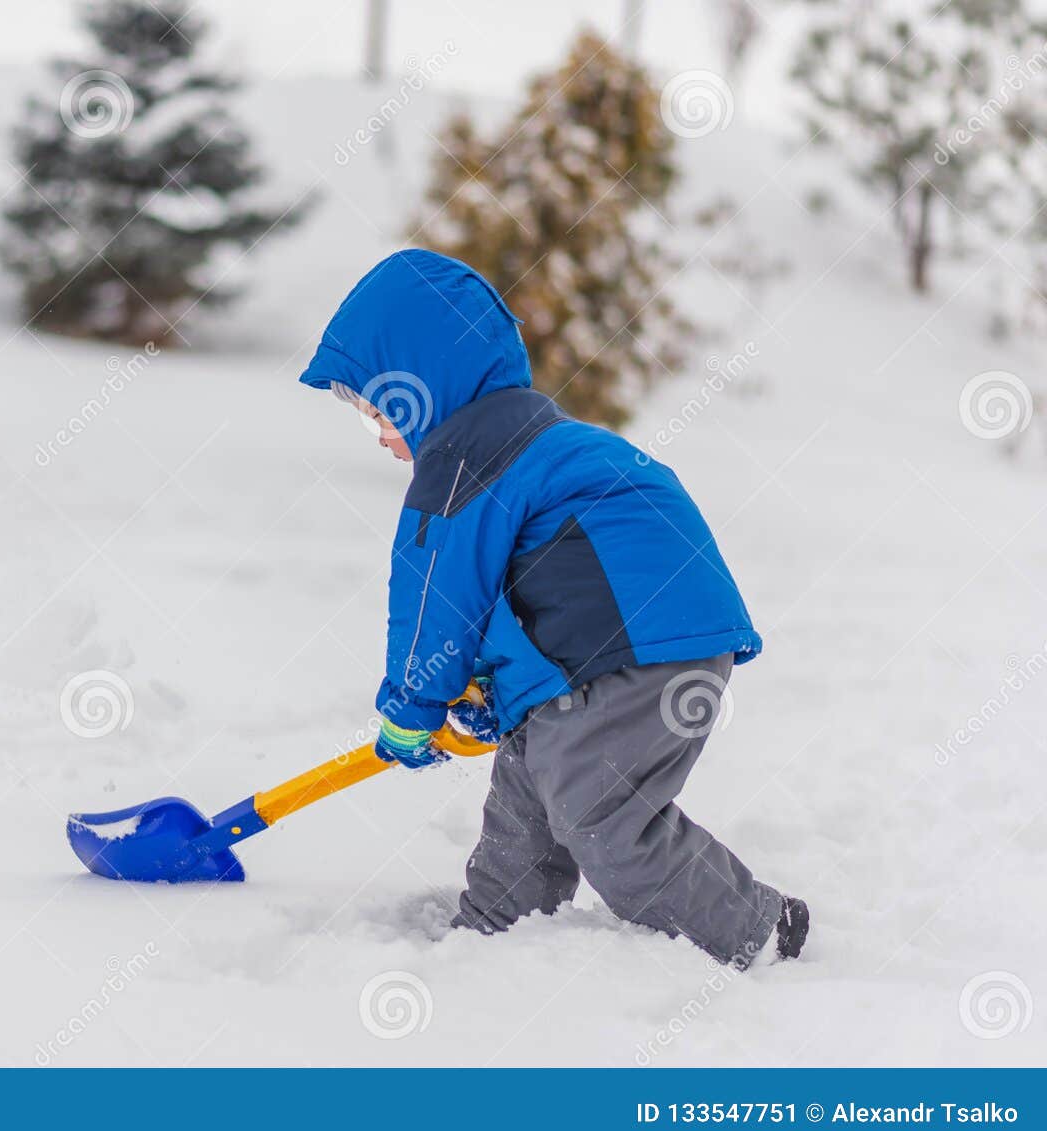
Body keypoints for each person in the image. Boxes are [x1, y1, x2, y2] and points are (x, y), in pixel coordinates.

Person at [299, 249, 807, 967]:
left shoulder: (466, 465)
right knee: (529, 791)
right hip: (611, 652)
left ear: (426, 389)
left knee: (603, 816)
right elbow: (514, 592)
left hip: (639, 648)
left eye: (380, 412)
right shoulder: (529, 448)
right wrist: (489, 692)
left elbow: (437, 594)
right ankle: (496, 932)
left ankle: (758, 929)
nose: (382, 435)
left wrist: (414, 707)